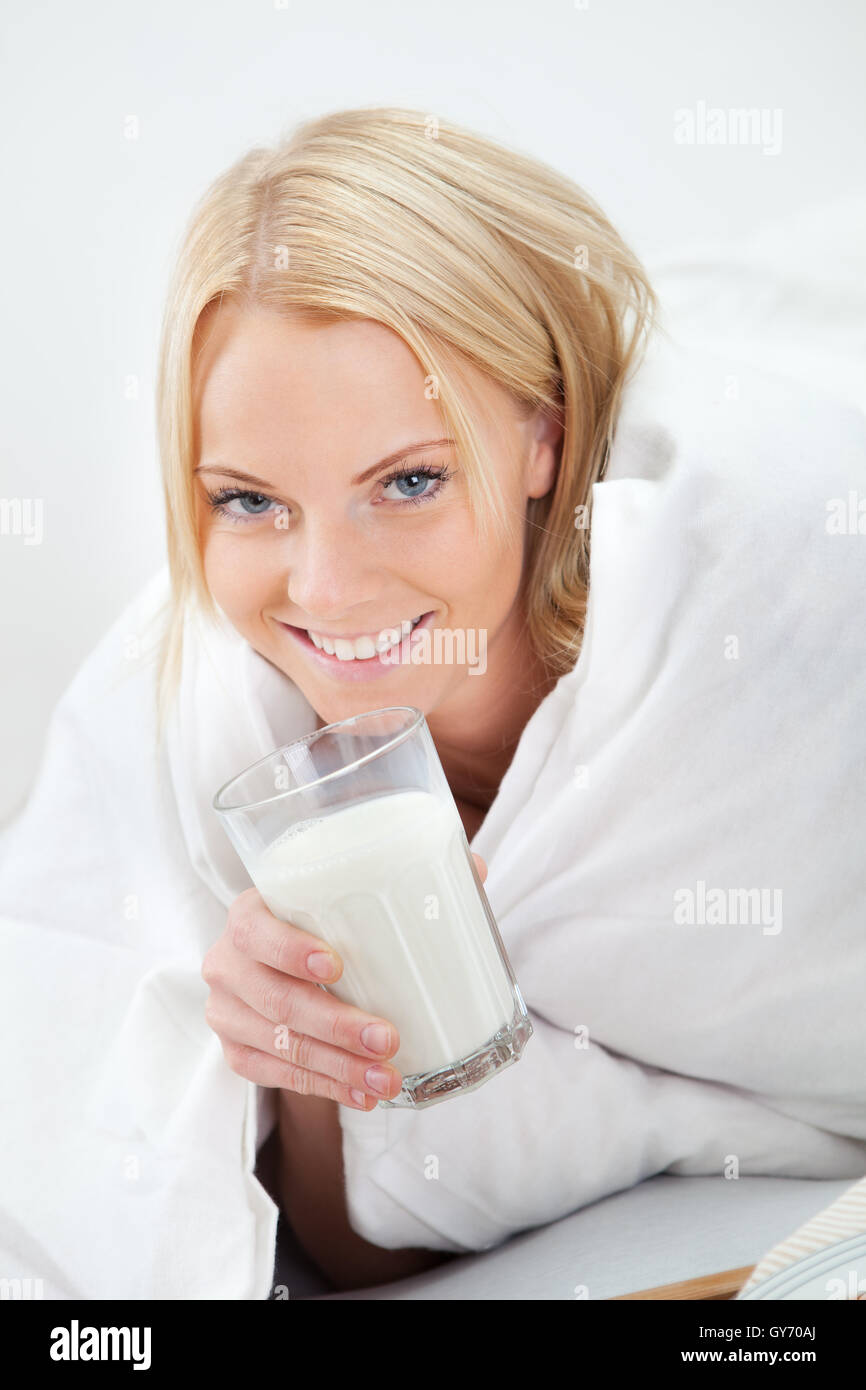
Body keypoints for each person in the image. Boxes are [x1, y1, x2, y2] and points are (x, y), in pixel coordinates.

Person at [2, 107, 865, 1301]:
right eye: (249, 501)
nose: (326, 591)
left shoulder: (759, 614)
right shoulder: (209, 711)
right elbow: (352, 1245)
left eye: (407, 480)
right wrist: (305, 1054)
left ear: (540, 444)